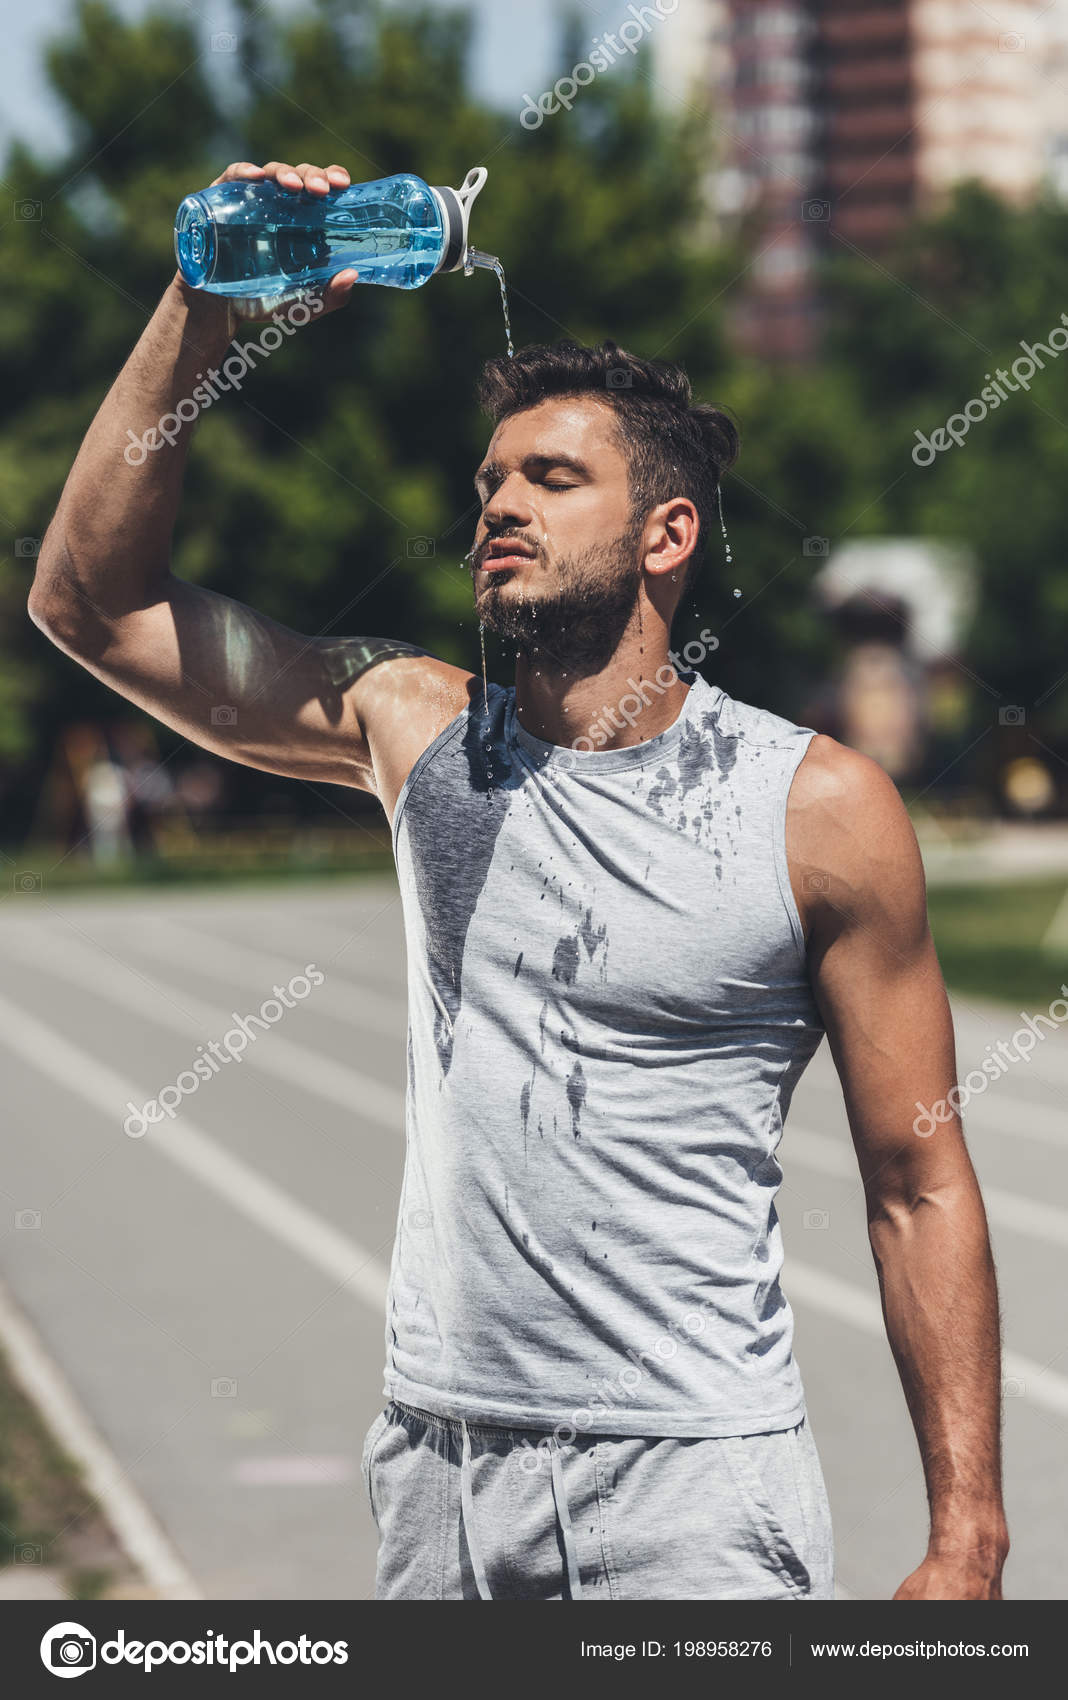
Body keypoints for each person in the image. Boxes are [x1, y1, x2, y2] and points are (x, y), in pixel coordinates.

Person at [28, 158, 1009, 1603]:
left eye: (553, 479)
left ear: (667, 535)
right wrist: (200, 302)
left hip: (688, 1486)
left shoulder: (815, 808)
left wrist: (967, 1535)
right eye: (491, 481)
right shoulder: (417, 731)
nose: (500, 506)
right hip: (440, 1479)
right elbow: (89, 605)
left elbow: (919, 1179)